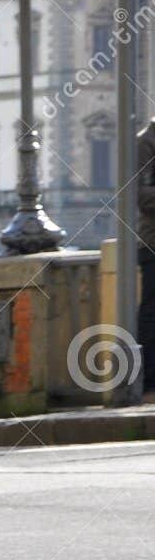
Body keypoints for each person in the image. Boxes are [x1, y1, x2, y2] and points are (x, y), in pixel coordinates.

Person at [136, 115, 155, 397]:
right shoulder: (144, 142)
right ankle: (149, 382)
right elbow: (143, 196)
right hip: (152, 244)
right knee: (151, 312)